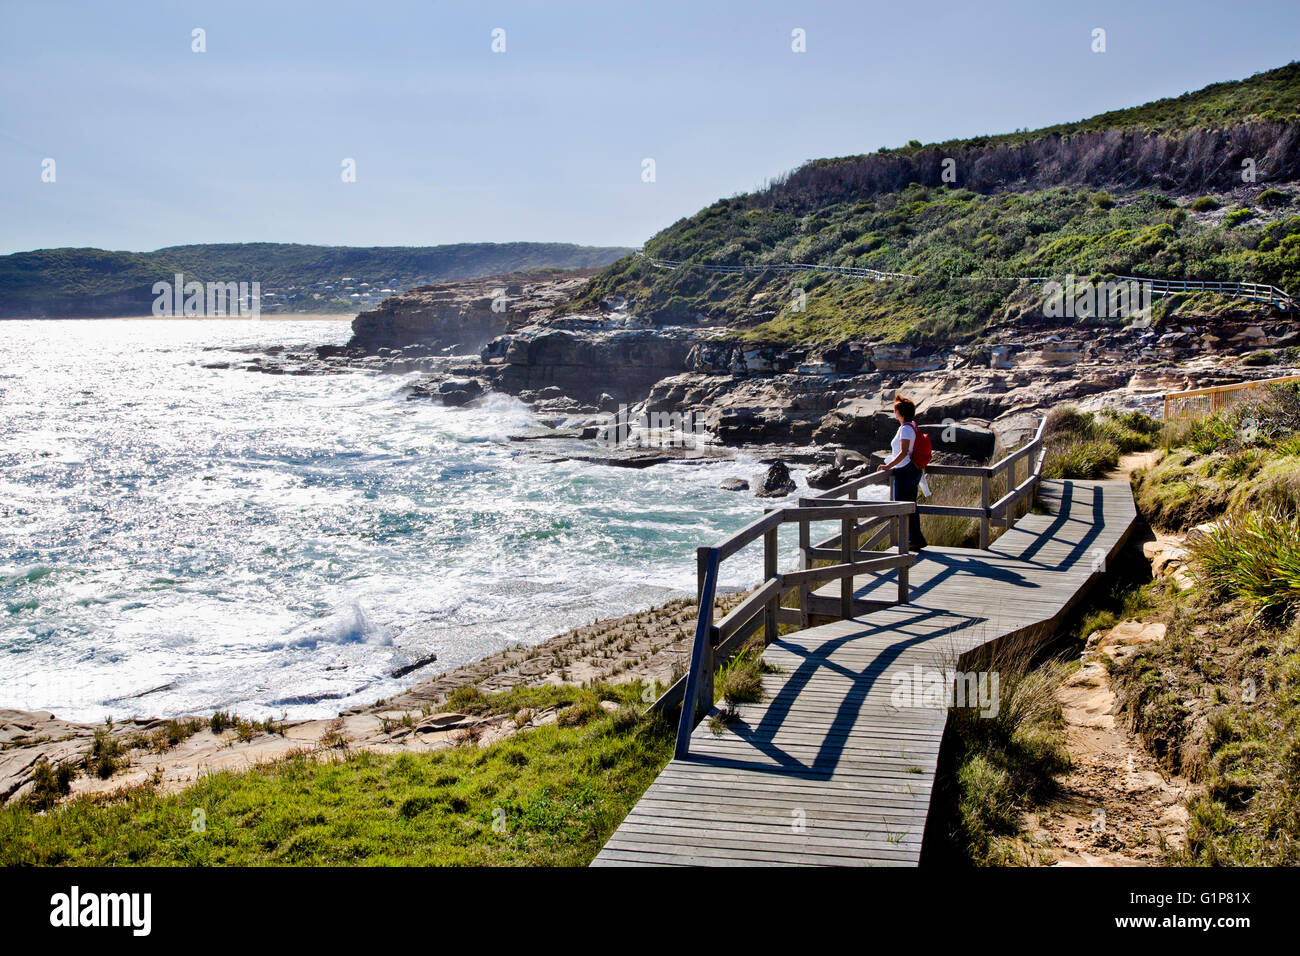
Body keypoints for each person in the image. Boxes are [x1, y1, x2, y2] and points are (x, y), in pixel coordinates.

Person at [876, 395, 928, 552]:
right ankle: (916, 539)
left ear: (901, 413)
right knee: (911, 505)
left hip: (905, 470)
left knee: (901, 506)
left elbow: (904, 452)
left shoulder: (906, 429)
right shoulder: (911, 425)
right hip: (912, 470)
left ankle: (911, 540)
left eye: (895, 409)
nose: (894, 411)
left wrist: (888, 466)